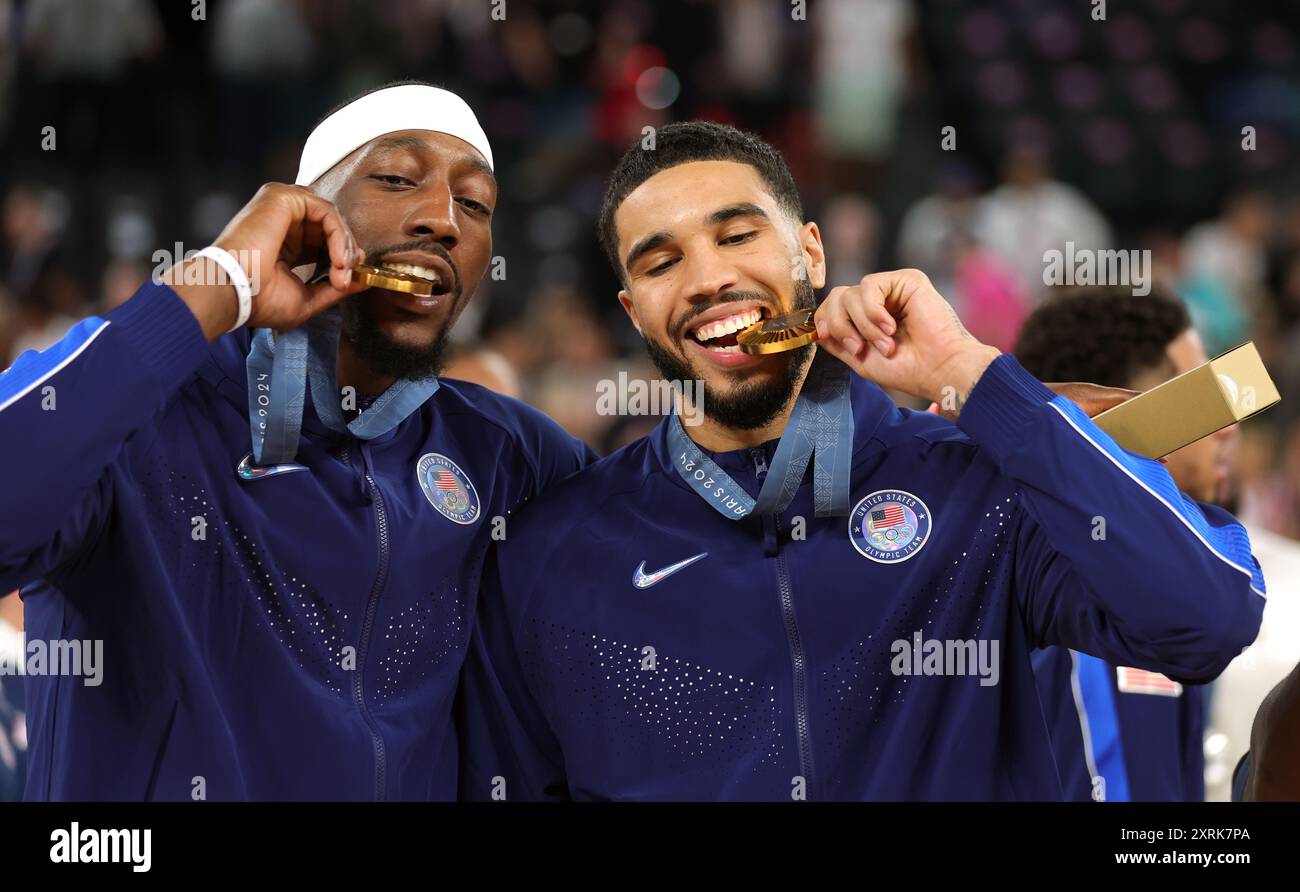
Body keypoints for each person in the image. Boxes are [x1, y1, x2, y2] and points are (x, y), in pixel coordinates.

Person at [457, 121, 1265, 801]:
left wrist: (975, 378)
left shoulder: (978, 485)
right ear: (636, 313)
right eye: (661, 263)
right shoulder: (552, 554)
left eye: (738, 234)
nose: (708, 278)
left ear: (811, 253)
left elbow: (1207, 620)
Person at [0, 82, 593, 800]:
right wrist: (218, 282)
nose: (444, 219)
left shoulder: (508, 456)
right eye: (397, 179)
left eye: (475, 205)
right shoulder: (139, 411)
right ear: (304, 217)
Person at [1013, 285, 1232, 801]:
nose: (1227, 424)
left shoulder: (1177, 580)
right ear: (1120, 409)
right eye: (1197, 393)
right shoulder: (1060, 579)